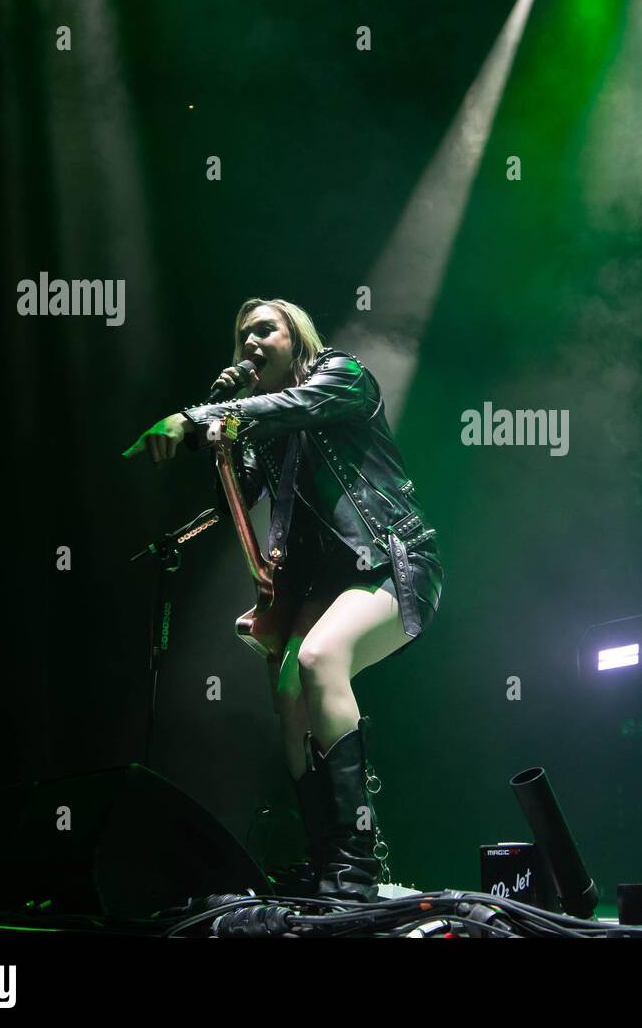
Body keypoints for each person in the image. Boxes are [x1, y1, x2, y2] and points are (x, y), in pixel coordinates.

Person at [123, 298, 442, 902]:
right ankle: (326, 862)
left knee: (321, 659)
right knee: (290, 695)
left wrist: (195, 417)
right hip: (321, 587)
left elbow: (291, 407)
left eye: (264, 330)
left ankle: (356, 867)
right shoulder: (260, 432)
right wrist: (216, 442)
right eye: (242, 334)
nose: (251, 342)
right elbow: (234, 502)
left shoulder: (341, 377)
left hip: (393, 562)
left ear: (297, 337)